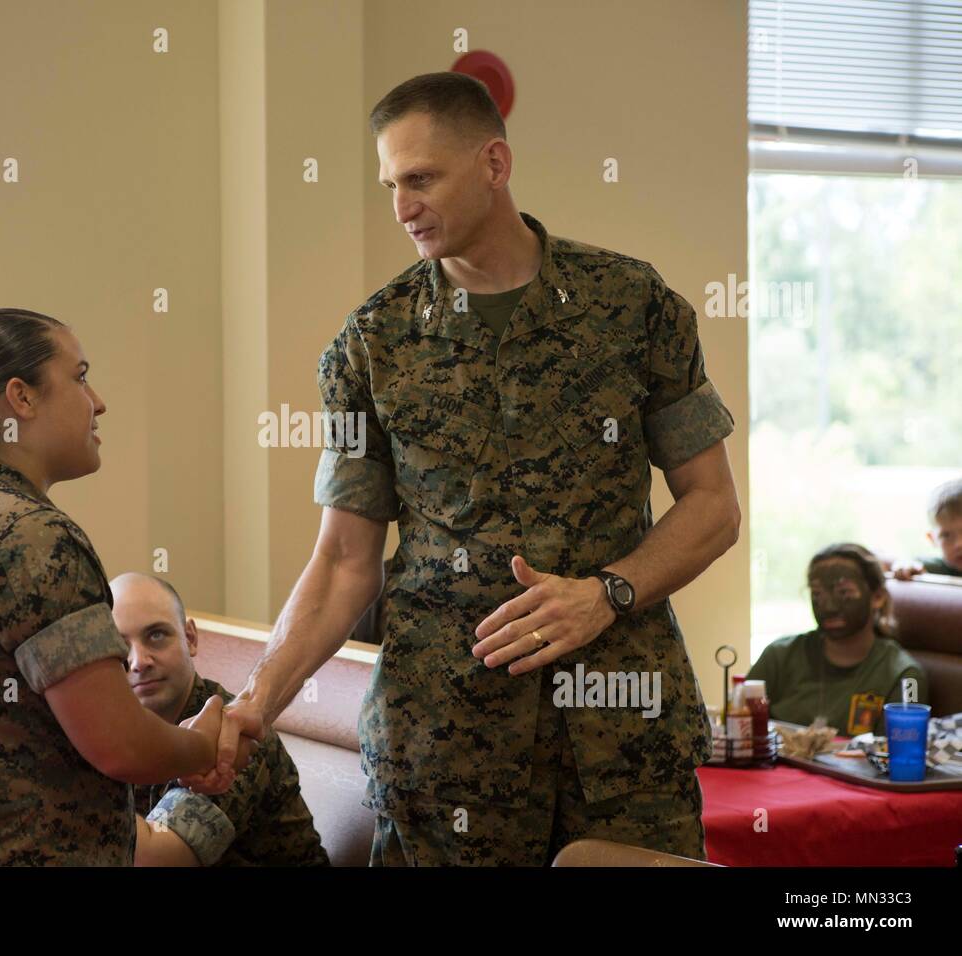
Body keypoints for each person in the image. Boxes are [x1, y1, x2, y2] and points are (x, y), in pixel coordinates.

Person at [184, 72, 741, 866]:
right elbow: (344, 561)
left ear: (494, 163)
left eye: (421, 178)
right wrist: (254, 702)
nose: (402, 205)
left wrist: (606, 593)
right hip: (447, 748)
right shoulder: (368, 348)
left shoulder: (633, 306)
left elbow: (713, 506)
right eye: (390, 184)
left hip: (620, 736)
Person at [0, 307, 242, 865]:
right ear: (21, 398)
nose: (97, 401)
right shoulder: (32, 536)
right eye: (79, 376)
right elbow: (119, 745)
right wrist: (202, 745)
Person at [112, 573, 330, 867]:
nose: (139, 661)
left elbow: (159, 861)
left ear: (190, 638)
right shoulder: (116, 727)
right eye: (120, 646)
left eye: (156, 635)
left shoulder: (233, 733)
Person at [747, 543, 927, 736]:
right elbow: (737, 724)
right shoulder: (778, 656)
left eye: (844, 593)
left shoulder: (906, 677)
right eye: (817, 594)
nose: (829, 607)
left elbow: (903, 750)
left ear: (877, 597)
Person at [887, 478, 962, 580]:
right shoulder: (933, 568)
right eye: (946, 535)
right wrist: (906, 567)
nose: (959, 544)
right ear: (932, 539)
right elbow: (909, 562)